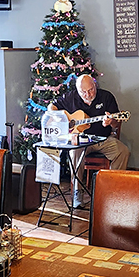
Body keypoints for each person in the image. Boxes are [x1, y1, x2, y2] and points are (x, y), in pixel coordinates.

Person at [50, 74, 130, 208]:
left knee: (123, 151)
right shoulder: (71, 97)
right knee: (74, 153)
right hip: (82, 140)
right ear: (78, 90)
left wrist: (111, 121)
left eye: (91, 90)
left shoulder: (106, 97)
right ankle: (77, 192)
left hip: (103, 139)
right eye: (84, 92)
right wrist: (59, 118)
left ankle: (113, 189)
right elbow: (52, 107)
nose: (88, 94)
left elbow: (116, 124)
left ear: (95, 85)